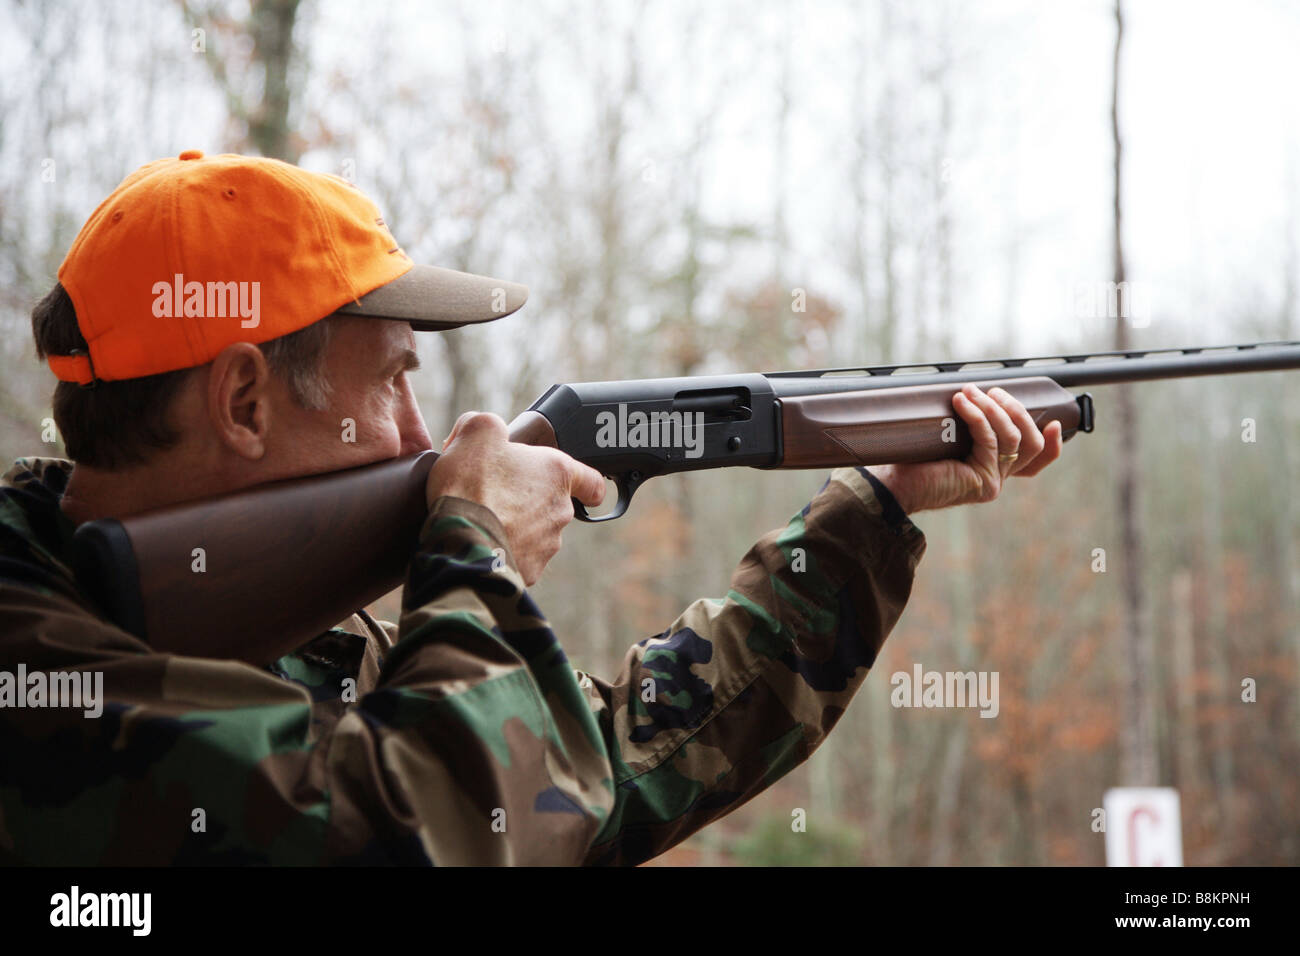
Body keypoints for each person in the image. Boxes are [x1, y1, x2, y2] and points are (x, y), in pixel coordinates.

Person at [0, 151, 1063, 865]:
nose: (421, 435)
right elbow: (448, 821)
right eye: (389, 382)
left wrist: (873, 509)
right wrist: (477, 552)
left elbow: (575, 782)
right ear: (242, 399)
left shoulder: (251, 621)